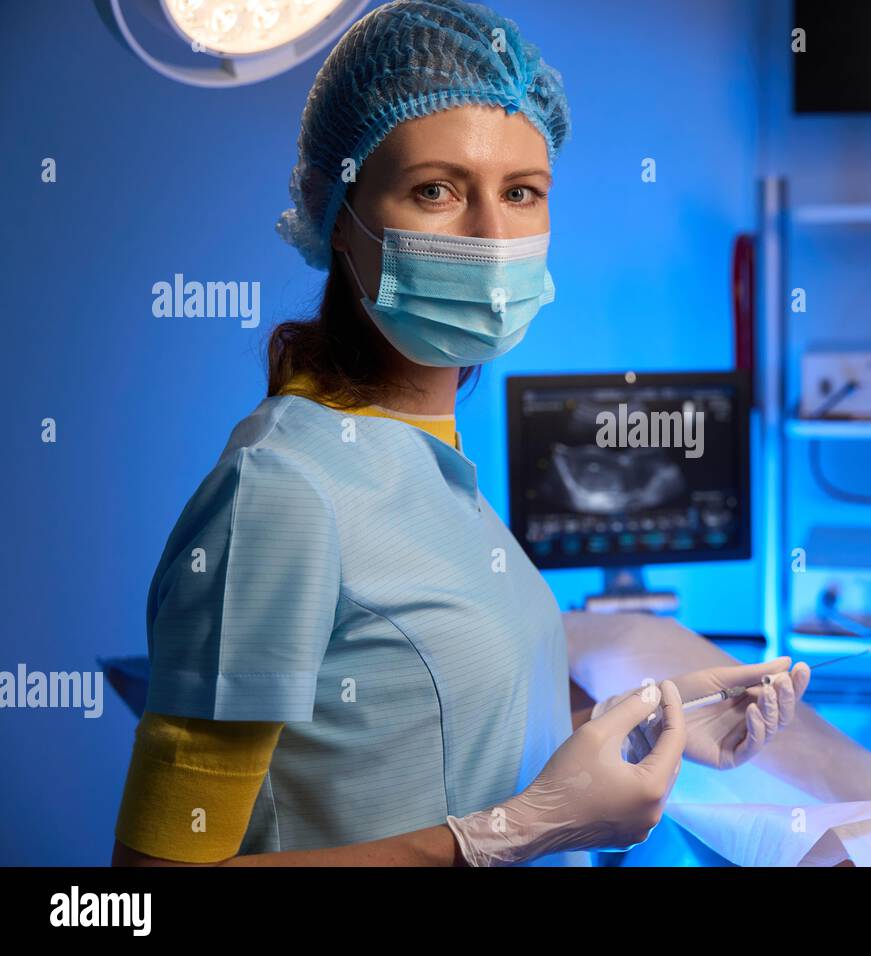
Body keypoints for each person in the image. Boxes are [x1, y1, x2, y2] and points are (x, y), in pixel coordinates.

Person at [111, 0, 810, 868]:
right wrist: (513, 834)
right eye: (436, 190)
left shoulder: (433, 465)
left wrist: (647, 726)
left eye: (521, 193)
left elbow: (426, 740)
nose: (489, 236)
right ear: (339, 215)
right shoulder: (281, 494)